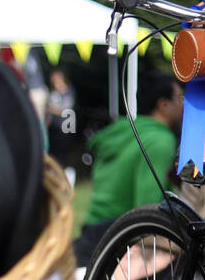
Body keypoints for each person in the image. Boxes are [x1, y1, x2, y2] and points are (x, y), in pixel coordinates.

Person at [75, 70, 184, 265]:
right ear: (164, 105)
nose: (184, 106)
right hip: (121, 234)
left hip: (92, 231)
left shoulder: (122, 130)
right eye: (180, 99)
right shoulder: (160, 140)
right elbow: (148, 209)